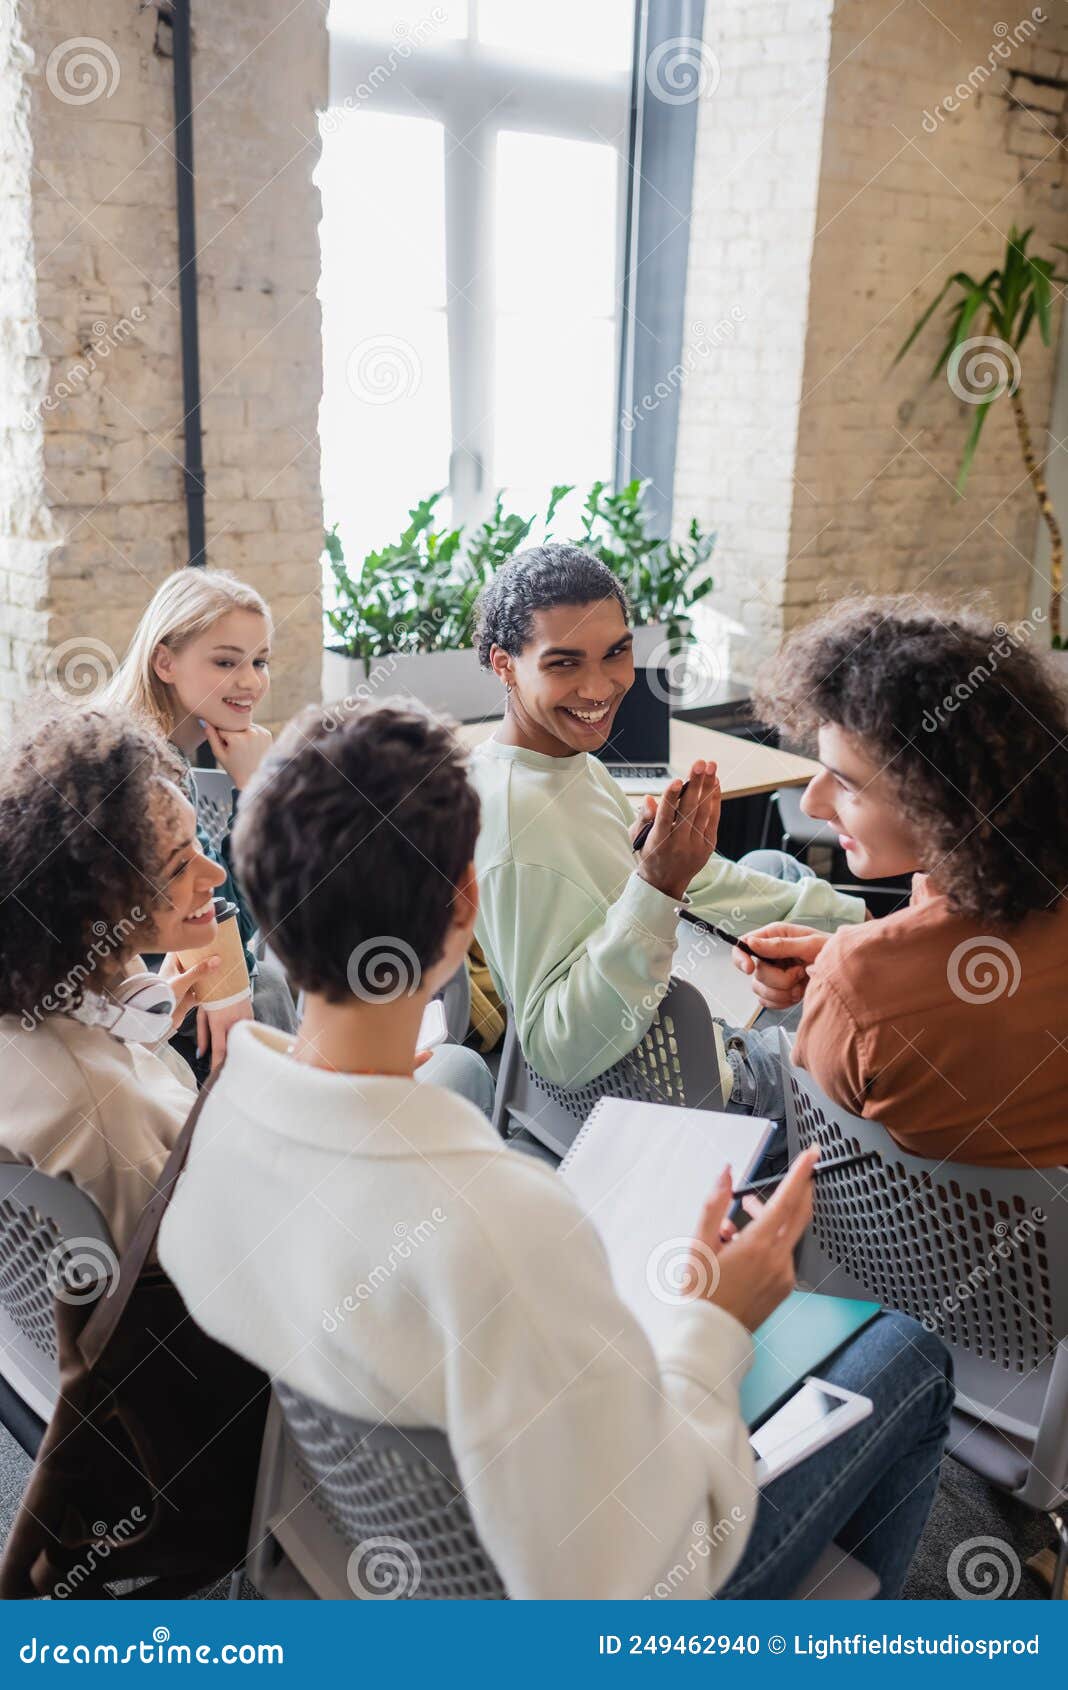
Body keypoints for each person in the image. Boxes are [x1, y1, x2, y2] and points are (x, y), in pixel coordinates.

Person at [157, 699, 953, 1600]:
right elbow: (630, 1567)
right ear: (468, 903)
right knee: (907, 1355)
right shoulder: (504, 1225)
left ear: (257, 894)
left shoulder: (214, 1132)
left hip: (363, 1554)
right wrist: (718, 1323)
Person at [469, 544, 866, 1094]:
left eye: (615, 653)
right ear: (504, 664)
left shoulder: (560, 763)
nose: (599, 687)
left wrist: (860, 924)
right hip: (690, 1082)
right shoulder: (521, 823)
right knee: (875, 1015)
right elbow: (556, 1050)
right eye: (564, 663)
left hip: (661, 1011)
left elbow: (693, 885)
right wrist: (658, 883)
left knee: (776, 866)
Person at [734, 598, 1068, 1166]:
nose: (814, 802)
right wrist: (844, 969)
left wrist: (847, 977)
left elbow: (822, 1117)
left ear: (940, 800)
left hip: (901, 1245)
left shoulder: (861, 982)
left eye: (846, 782)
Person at [0, 707, 230, 1249]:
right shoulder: (106, 1113)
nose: (214, 874)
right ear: (94, 905)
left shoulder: (32, 1010)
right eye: (178, 866)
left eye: (198, 845)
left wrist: (133, 1026)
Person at [107, 567, 296, 1074]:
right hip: (144, 1005)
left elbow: (232, 912)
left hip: (136, 991)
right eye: (225, 661)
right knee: (277, 984)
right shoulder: (156, 770)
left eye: (260, 661)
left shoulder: (145, 742)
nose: (250, 681)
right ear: (164, 661)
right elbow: (235, 920)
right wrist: (257, 794)